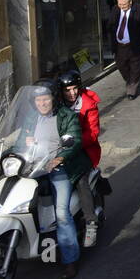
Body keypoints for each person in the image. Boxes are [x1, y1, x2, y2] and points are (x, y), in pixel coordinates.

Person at [25, 83, 89, 279]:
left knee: (61, 213)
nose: (42, 103)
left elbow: (75, 140)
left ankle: (70, 260)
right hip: (34, 168)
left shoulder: (66, 115)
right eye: (38, 100)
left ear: (53, 99)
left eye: (46, 99)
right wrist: (8, 153)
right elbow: (20, 141)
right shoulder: (31, 118)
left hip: (60, 168)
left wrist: (60, 157)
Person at [58, 69, 102, 248]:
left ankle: (91, 222)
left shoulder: (88, 104)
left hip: (84, 150)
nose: (72, 93)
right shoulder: (57, 104)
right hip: (57, 150)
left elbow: (93, 133)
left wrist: (72, 144)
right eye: (67, 90)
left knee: (80, 179)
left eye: (74, 89)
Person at [104, 0, 140, 100]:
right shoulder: (115, 9)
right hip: (119, 45)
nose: (122, 7)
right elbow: (110, 25)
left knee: (135, 66)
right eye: (120, 4)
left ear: (130, 2)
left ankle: (132, 89)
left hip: (134, 44)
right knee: (121, 65)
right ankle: (131, 80)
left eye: (124, 4)